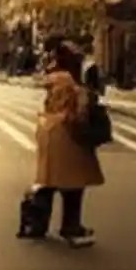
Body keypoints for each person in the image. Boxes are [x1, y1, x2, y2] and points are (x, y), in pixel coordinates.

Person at [30, 42, 103, 248]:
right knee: (73, 184)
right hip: (68, 134)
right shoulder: (72, 83)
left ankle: (37, 223)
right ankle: (71, 226)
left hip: (49, 129)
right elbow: (79, 113)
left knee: (48, 179)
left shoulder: (52, 79)